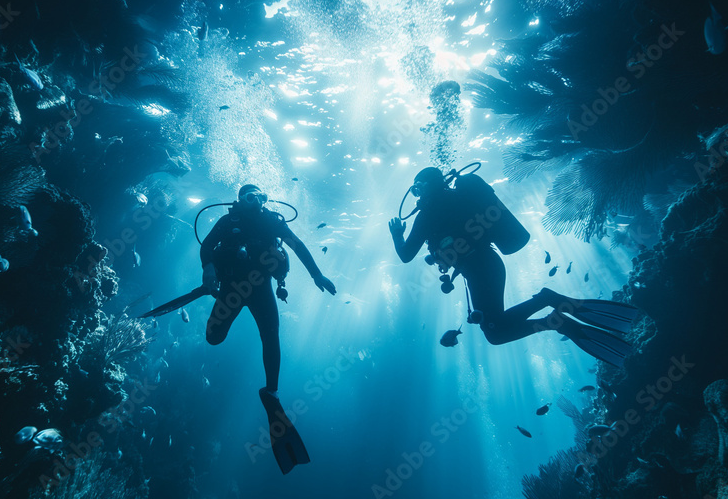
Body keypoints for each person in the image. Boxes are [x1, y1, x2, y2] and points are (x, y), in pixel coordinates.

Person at [388, 167, 638, 367]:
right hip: (488, 264)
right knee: (496, 330)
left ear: (426, 187)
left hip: (480, 270)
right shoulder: (460, 198)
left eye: (417, 188)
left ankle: (551, 309)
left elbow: (406, 255)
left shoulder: (426, 216)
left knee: (496, 333)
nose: (417, 195)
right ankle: (552, 315)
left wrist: (397, 234)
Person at [200, 184, 336, 474]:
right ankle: (269, 389)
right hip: (232, 288)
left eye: (261, 196)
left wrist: (317, 275)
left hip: (261, 289)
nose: (256, 202)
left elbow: (297, 246)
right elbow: (207, 246)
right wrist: (209, 269)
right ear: (240, 201)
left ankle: (271, 392)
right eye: (250, 197)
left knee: (270, 336)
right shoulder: (228, 221)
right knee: (213, 338)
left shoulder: (273, 220)